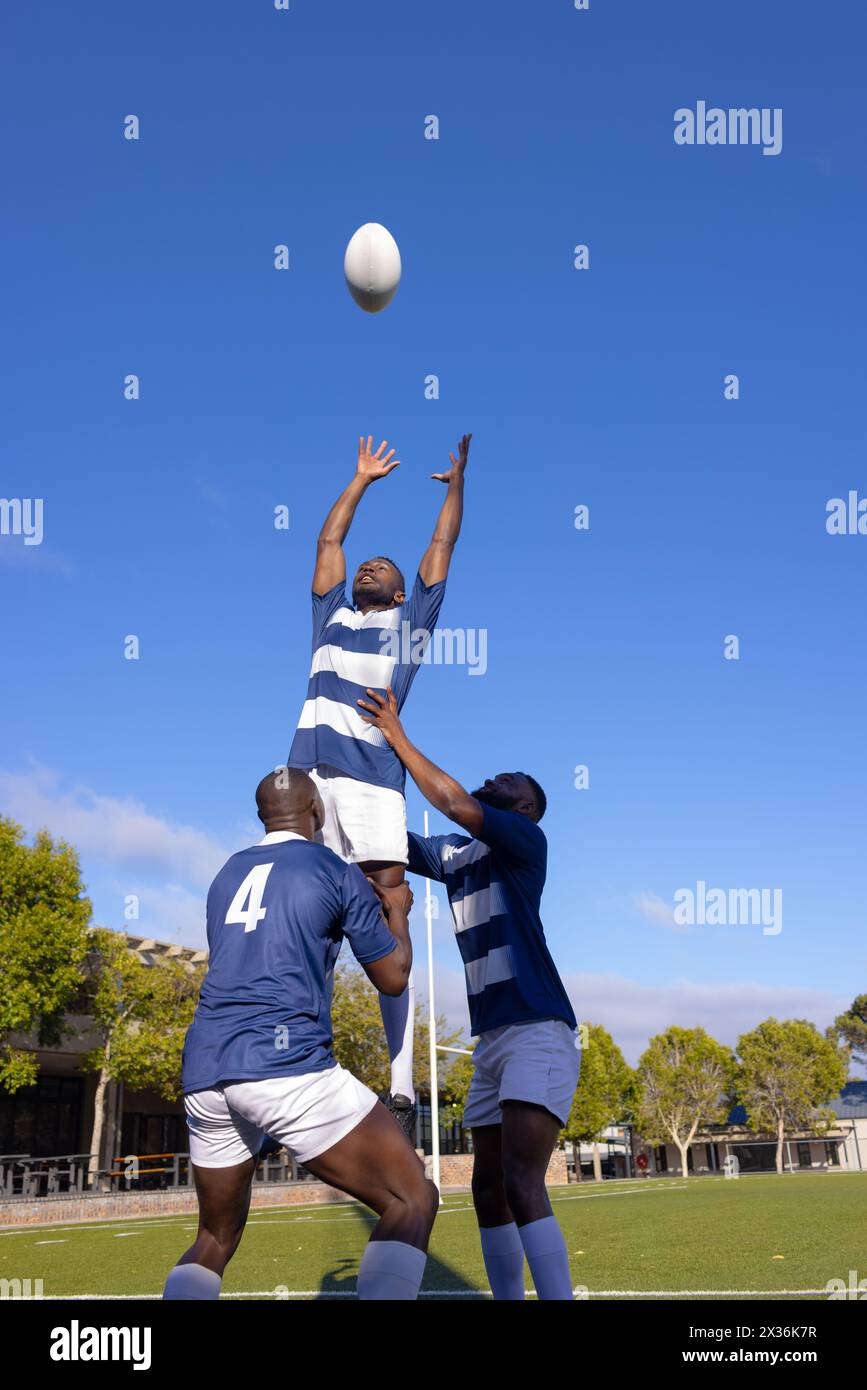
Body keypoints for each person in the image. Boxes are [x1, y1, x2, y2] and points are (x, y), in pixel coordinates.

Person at [162, 767, 438, 1302]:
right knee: (413, 1198)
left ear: (263, 815)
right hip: (284, 1066)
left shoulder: (226, 873)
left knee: (214, 1237)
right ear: (317, 811)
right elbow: (393, 977)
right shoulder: (333, 869)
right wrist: (398, 915)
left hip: (206, 1068)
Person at [357, 689, 580, 1301]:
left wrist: (397, 736)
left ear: (526, 806)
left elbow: (453, 800)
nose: (492, 778)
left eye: (505, 780)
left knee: (520, 1180)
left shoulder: (525, 843)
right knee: (486, 1188)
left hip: (539, 1029)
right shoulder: (457, 855)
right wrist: (345, 797)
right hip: (493, 1042)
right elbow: (390, 845)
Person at [287, 431, 471, 1137]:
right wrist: (359, 479)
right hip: (308, 778)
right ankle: (306, 1056)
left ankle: (398, 1081)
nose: (366, 567)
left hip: (372, 780)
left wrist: (456, 485)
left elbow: (442, 549)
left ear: (398, 591)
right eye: (363, 565)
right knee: (305, 910)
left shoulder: (409, 625)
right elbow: (326, 543)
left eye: (379, 568)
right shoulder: (326, 615)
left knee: (388, 894)